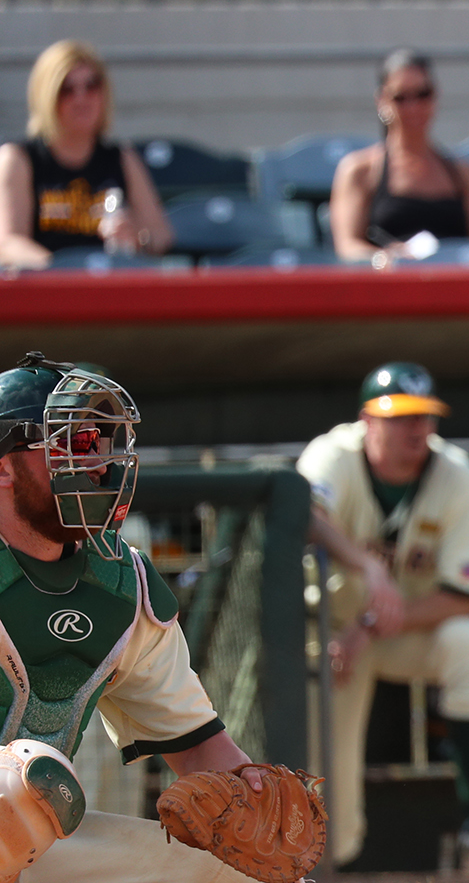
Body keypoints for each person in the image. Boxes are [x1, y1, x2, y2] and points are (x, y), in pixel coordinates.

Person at [0, 352, 264, 882]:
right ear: (4, 465)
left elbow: (195, 743)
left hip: (31, 846)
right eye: (70, 444)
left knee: (250, 874)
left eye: (99, 443)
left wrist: (251, 789)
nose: (97, 463)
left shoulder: (124, 585)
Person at [298, 361, 469, 872]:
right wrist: (366, 568)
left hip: (398, 628)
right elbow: (302, 514)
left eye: (424, 417)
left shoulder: (455, 471)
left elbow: (465, 595)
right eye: (398, 418)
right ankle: (323, 865)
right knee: (331, 788)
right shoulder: (334, 453)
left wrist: (371, 622)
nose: (415, 430)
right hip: (328, 636)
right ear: (367, 421)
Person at [0, 40, 173, 269]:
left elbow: (162, 236)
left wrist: (137, 239)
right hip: (47, 293)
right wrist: (62, 270)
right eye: (67, 89)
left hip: (109, 291)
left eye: (91, 85)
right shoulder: (19, 159)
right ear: (46, 96)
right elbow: (8, 243)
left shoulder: (122, 157)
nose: (81, 99)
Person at [329, 50, 469, 265]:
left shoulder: (466, 175)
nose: (413, 107)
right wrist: (385, 259)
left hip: (454, 290)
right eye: (400, 97)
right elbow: (347, 247)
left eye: (422, 94)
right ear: (382, 101)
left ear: (436, 96)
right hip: (388, 291)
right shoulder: (360, 171)